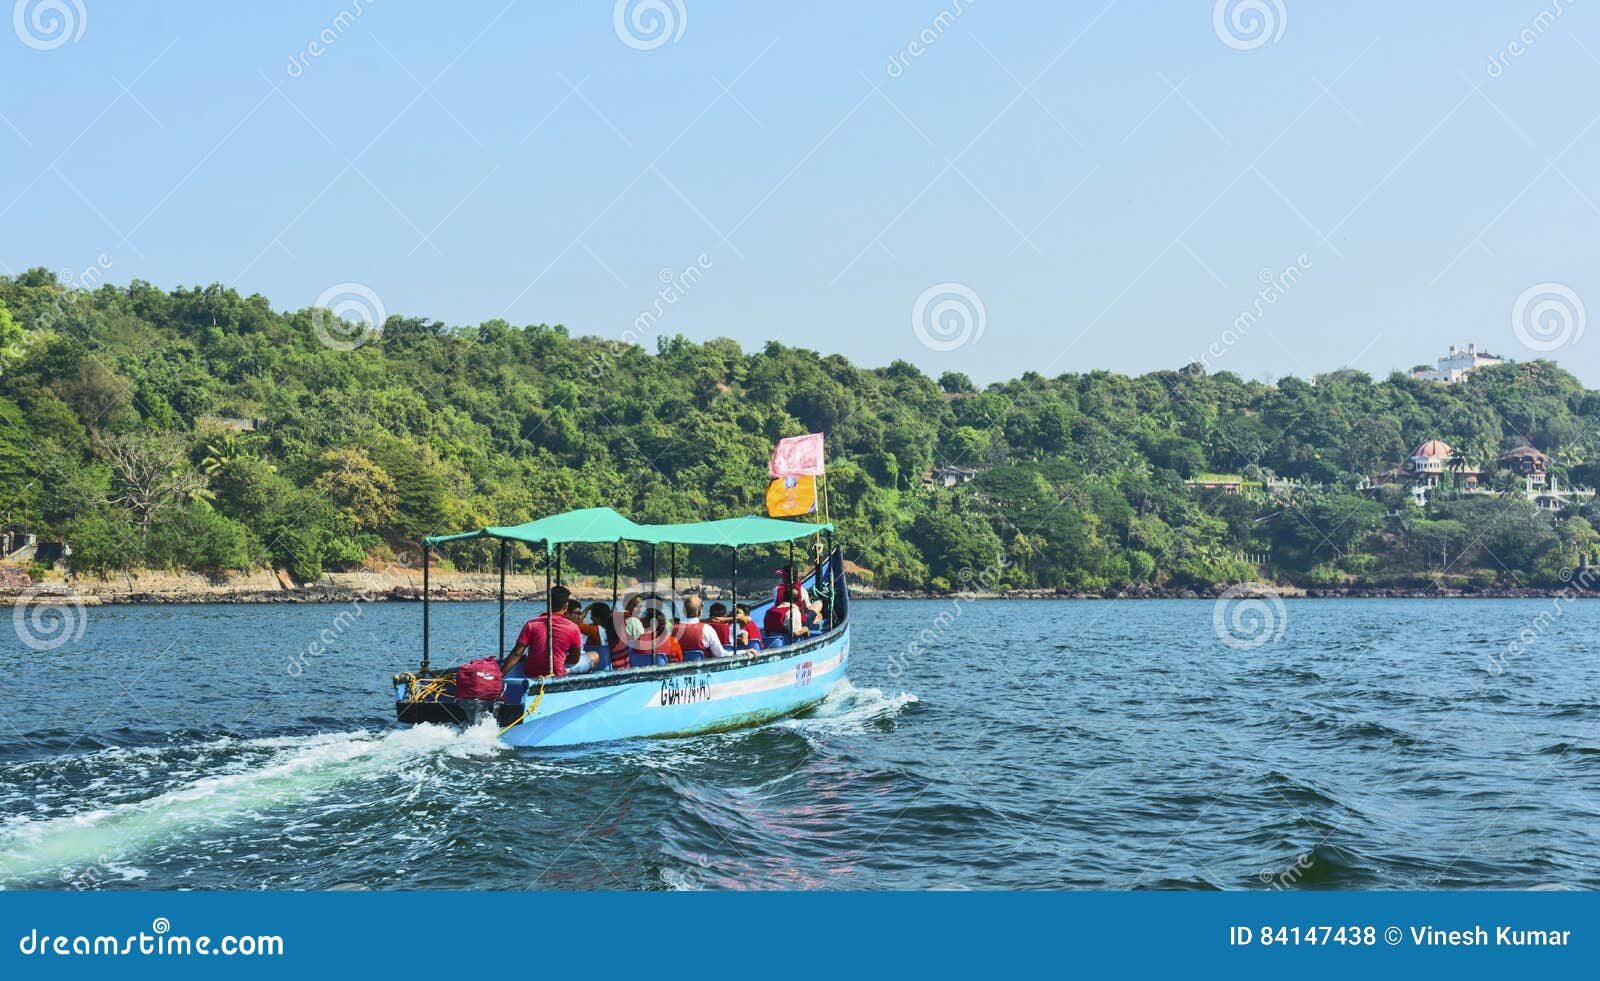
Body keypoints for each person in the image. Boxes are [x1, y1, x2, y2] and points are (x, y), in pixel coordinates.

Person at [502, 585, 591, 678]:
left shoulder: (531, 624)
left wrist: (500, 675)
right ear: (565, 606)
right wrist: (560, 659)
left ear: (548, 604)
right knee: (593, 656)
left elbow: (517, 653)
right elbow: (574, 659)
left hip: (531, 671)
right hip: (556, 672)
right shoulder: (572, 628)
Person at [672, 595, 729, 660]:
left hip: (679, 666)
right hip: (702, 667)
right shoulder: (706, 629)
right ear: (699, 612)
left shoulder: (672, 629)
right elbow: (720, 654)